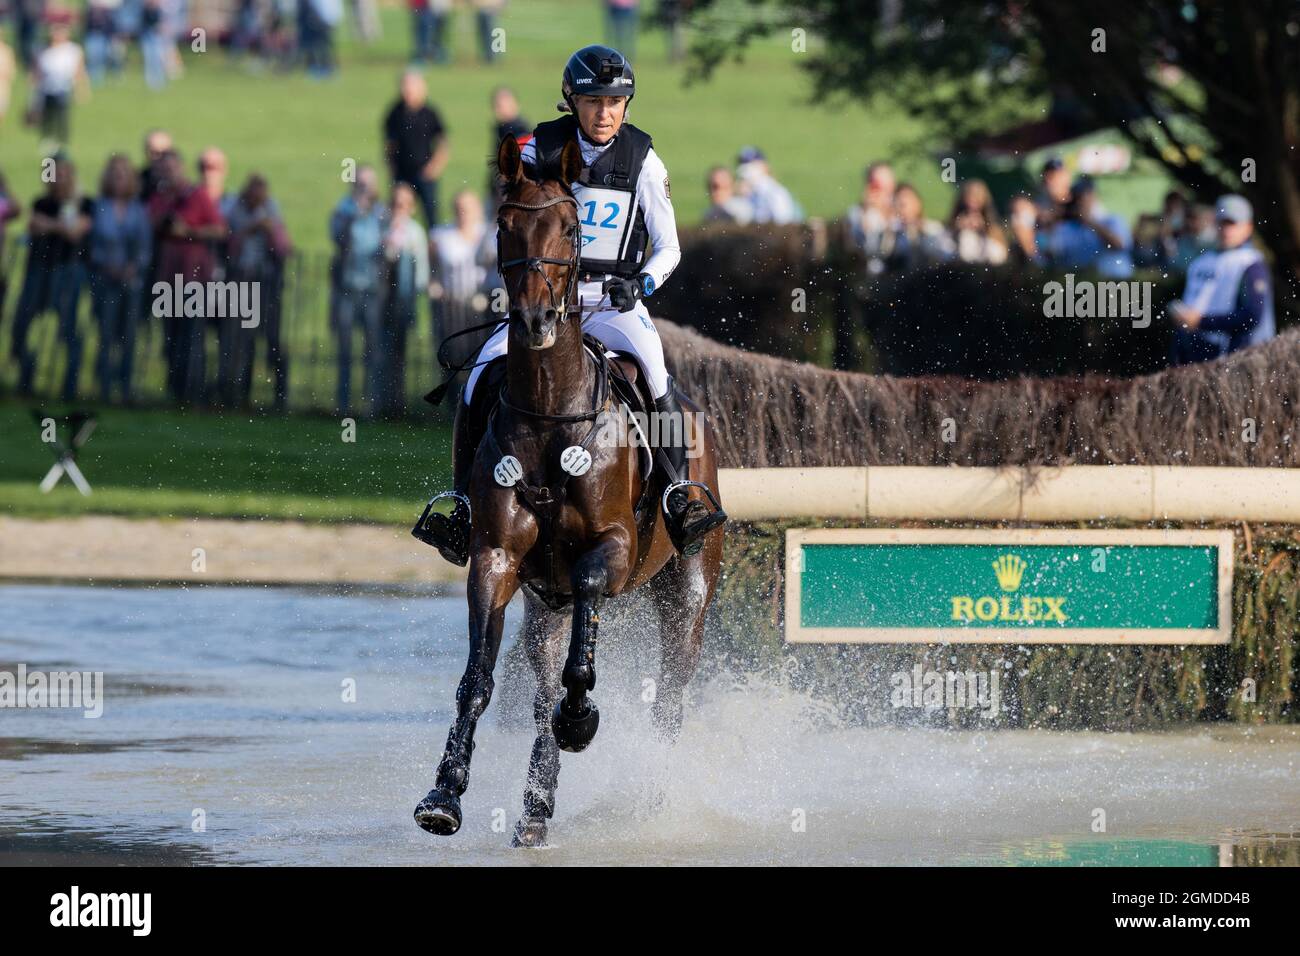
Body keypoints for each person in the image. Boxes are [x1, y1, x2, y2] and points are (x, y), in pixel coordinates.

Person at [423, 44, 727, 564]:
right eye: (593, 101)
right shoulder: (540, 146)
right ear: (572, 102)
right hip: (547, 302)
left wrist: (642, 286)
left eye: (615, 102)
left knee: (655, 376)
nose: (605, 113)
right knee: (477, 380)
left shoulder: (643, 161)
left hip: (613, 303)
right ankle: (462, 506)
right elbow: (512, 199)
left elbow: (669, 246)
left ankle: (680, 495)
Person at [10, 156, 94, 399]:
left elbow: (74, 232)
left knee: (67, 328)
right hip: (38, 270)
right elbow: (36, 225)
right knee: (21, 325)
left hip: (68, 271)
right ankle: (27, 376)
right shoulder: (42, 202)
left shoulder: (84, 203)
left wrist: (51, 225)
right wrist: (59, 226)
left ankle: (70, 385)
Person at [148, 149, 227, 403]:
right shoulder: (158, 198)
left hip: (195, 277)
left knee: (192, 336)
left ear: (181, 168)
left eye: (172, 167)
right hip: (167, 277)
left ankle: (194, 391)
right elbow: (152, 224)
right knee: (170, 336)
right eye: (163, 168)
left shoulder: (197, 195)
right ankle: (174, 390)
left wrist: (189, 231)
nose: (168, 172)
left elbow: (219, 230)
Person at [1169, 194, 1275, 366]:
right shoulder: (1200, 262)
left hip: (1237, 360)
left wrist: (1200, 322)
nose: (1226, 230)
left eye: (1232, 224)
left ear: (1248, 227)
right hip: (1197, 355)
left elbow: (1253, 316)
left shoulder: (1251, 262)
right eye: (1222, 223)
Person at [224, 174, 292, 409]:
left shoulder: (271, 211)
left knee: (273, 339)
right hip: (243, 280)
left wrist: (269, 229)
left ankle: (280, 394)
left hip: (267, 283)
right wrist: (251, 228)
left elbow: (284, 248)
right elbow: (230, 243)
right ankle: (242, 393)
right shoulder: (236, 211)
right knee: (244, 341)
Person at [87, 154, 151, 404]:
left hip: (131, 280)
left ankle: (125, 387)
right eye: (115, 175)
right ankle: (103, 387)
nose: (119, 179)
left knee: (129, 335)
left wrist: (134, 267)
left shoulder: (138, 209)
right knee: (106, 332)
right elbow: (92, 244)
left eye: (123, 175)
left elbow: (145, 245)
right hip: (105, 277)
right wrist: (107, 266)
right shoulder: (99, 207)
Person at [328, 164, 387, 414]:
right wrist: (355, 215)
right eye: (360, 183)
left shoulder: (382, 213)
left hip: (373, 289)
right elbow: (338, 239)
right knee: (345, 349)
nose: (365, 187)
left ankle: (371, 404)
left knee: (373, 350)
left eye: (368, 183)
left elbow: (388, 247)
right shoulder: (343, 210)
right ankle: (343, 405)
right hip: (347, 288)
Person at [375, 182, 429, 417]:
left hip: (402, 301)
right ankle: (377, 402)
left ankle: (397, 402)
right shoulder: (380, 227)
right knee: (377, 351)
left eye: (404, 205)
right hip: (380, 300)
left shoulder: (415, 232)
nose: (398, 208)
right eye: (395, 204)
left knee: (399, 353)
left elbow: (422, 271)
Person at [430, 188, 490, 374]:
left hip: (484, 306)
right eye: (459, 208)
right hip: (452, 307)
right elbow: (432, 273)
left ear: (478, 209)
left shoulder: (489, 234)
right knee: (454, 357)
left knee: (482, 354)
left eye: (468, 208)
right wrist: (435, 287)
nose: (463, 213)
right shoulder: (440, 236)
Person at [383, 69, 448, 226]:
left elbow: (442, 142)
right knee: (399, 212)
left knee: (431, 214)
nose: (407, 91)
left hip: (426, 173)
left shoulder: (430, 113)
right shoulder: (394, 113)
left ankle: (432, 243)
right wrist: (391, 167)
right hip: (402, 173)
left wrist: (435, 166)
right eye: (404, 86)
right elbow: (389, 145)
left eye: (411, 86)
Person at [1038, 176, 1132, 277]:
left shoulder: (1113, 221)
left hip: (1116, 284)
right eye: (1078, 198)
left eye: (1086, 197)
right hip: (1081, 285)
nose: (1082, 202)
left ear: (1094, 197)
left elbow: (1119, 245)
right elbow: (1051, 256)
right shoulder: (1065, 229)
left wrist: (1090, 221)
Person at [32, 17, 90, 150]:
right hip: (46, 88)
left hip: (64, 88)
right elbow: (36, 72)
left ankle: (63, 142)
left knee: (63, 116)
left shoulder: (73, 50)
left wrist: (81, 89)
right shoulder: (42, 50)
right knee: (47, 116)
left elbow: (79, 71)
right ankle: (46, 139)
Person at [888, 183, 953, 270]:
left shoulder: (933, 228)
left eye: (904, 204)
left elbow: (947, 255)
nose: (902, 209)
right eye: (898, 204)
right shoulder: (892, 230)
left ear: (918, 203)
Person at [487, 85, 529, 213]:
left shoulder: (519, 131)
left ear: (515, 105)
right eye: (496, 106)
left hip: (510, 192)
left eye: (501, 106)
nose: (498, 110)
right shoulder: (501, 128)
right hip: (499, 189)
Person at [735, 146, 803, 224]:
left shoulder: (774, 191)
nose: (749, 172)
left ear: (764, 166)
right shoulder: (748, 193)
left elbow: (784, 222)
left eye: (753, 165)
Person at [947, 179, 1007, 265]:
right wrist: (958, 227)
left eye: (977, 195)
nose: (972, 199)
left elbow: (1001, 252)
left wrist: (983, 228)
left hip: (988, 266)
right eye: (969, 195)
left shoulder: (990, 221)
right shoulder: (957, 219)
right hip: (961, 264)